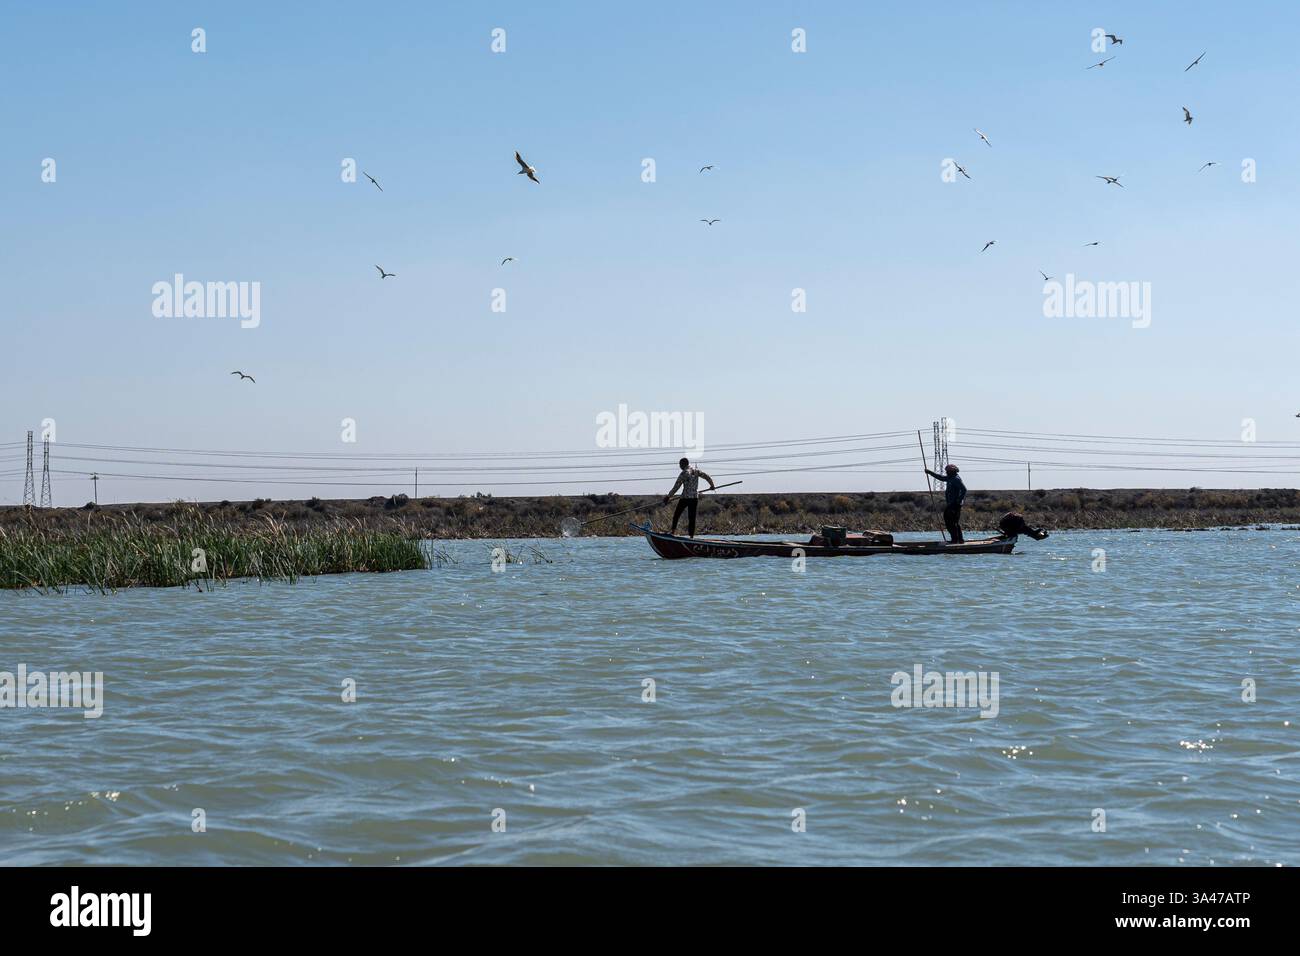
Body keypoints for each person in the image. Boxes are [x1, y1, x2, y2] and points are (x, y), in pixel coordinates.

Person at [664, 457, 715, 537]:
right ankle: (691, 537)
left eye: (680, 465)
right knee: (692, 518)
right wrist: (712, 485)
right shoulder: (696, 471)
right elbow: (707, 476)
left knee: (677, 515)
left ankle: (672, 532)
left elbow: (676, 487)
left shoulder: (684, 473)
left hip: (685, 498)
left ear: (683, 464)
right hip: (694, 498)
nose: (679, 466)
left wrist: (668, 497)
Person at [924, 463, 967, 543]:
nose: (946, 472)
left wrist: (958, 501)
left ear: (952, 471)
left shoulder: (956, 479)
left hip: (955, 505)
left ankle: (955, 540)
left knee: (951, 522)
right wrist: (930, 473)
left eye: (948, 471)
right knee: (952, 522)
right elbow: (941, 478)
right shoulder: (950, 478)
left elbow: (964, 490)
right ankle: (959, 540)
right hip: (951, 504)